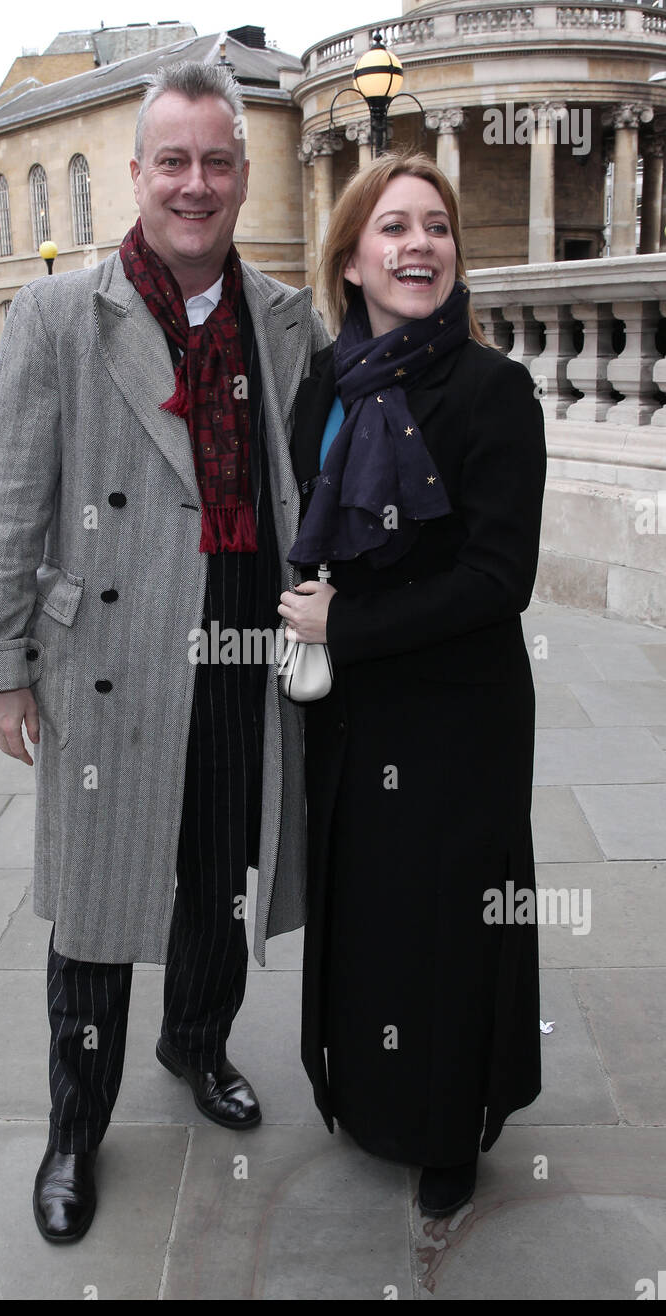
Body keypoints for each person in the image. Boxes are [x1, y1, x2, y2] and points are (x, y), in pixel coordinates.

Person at [0, 60, 328, 1243]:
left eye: (217, 161)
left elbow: (312, 488)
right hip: (109, 656)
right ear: (136, 174)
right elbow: (11, 498)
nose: (195, 183)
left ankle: (196, 1041)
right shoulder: (61, 314)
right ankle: (76, 1124)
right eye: (172, 161)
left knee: (216, 881)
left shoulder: (283, 318)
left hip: (235, 651)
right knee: (98, 912)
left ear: (241, 174)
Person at [278, 151, 547, 1220]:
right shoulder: (329, 386)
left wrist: (350, 621)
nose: (417, 246)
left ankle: (448, 1125)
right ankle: (370, 1090)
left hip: (456, 709)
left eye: (434, 227)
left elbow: (498, 578)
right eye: (392, 228)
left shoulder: (494, 390)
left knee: (447, 921)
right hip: (351, 706)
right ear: (351, 259)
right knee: (367, 909)